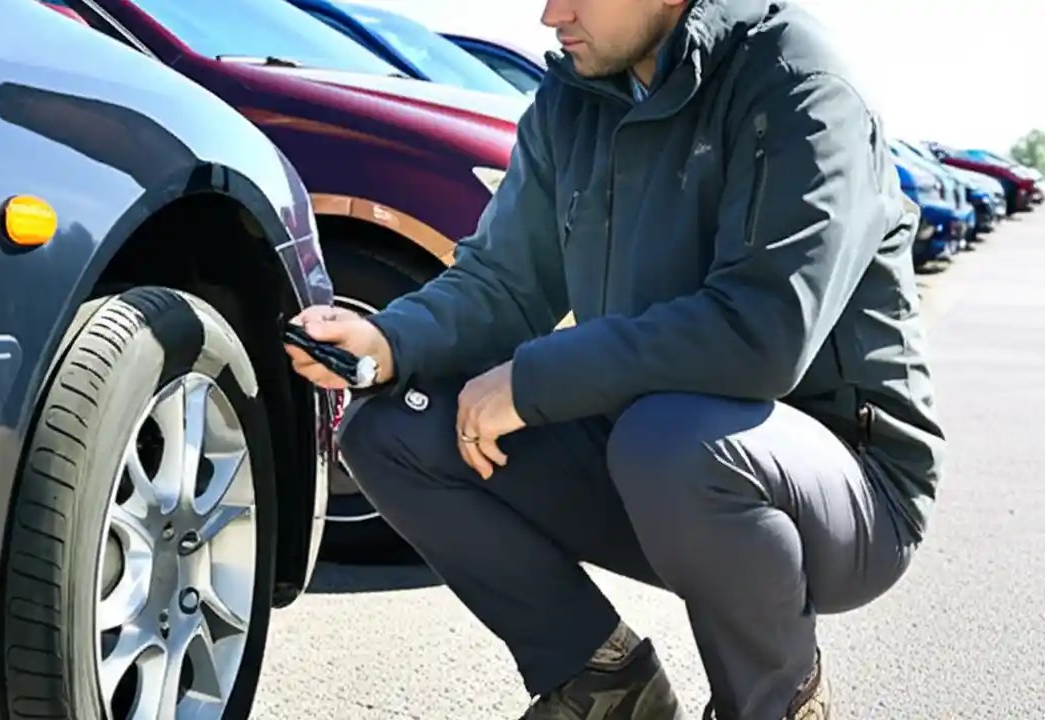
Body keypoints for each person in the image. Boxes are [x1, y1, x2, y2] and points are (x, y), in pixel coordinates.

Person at [283, 0, 945, 717]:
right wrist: (390, 342)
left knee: (671, 440)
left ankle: (775, 700)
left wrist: (532, 381)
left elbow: (763, 332)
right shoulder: (575, 93)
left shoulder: (796, 79)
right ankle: (605, 684)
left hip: (843, 489)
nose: (549, 15)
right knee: (393, 430)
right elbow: (505, 279)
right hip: (653, 451)